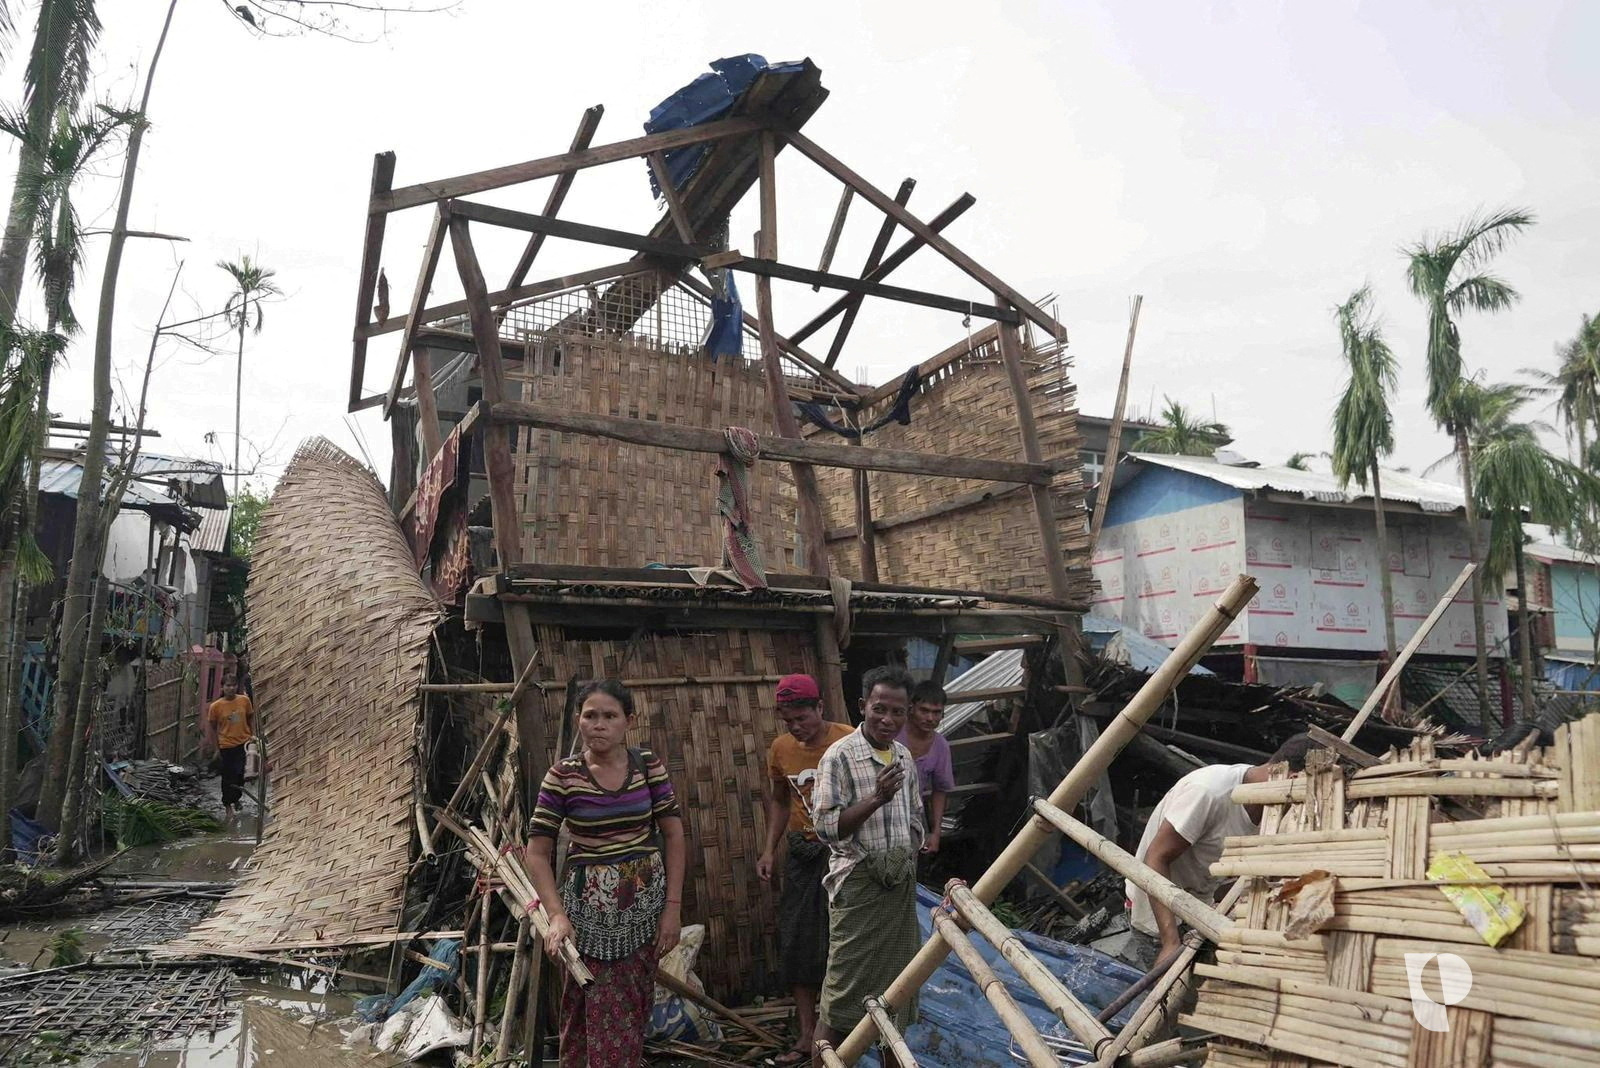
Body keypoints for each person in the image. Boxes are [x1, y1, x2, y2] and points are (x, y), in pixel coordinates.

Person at [525, 679, 687, 1068]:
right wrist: (557, 915)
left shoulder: (647, 765)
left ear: (628, 721)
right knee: (582, 1003)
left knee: (629, 1006)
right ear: (579, 721)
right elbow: (537, 852)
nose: (599, 724)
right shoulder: (563, 776)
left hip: (642, 907)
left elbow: (674, 834)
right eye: (590, 715)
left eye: (609, 716)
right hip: (588, 912)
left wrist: (672, 908)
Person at [810, 666, 924, 1067]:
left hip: (898, 890)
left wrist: (904, 857)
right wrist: (876, 798)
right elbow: (825, 828)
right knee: (840, 998)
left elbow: (916, 820)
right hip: (857, 888)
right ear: (863, 707)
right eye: (880, 709)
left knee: (897, 993)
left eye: (898, 712)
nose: (888, 720)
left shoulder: (905, 757)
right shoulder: (839, 757)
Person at [1125, 733, 1316, 970]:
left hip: (1201, 909)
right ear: (1293, 778)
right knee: (1164, 993)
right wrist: (1169, 941)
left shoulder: (1275, 811)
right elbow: (1155, 858)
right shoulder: (1209, 792)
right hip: (1158, 915)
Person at [756, 674, 854, 1066]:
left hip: (845, 853)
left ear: (820, 708)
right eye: (788, 720)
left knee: (842, 940)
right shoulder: (780, 750)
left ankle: (844, 1031)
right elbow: (780, 801)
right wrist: (769, 850)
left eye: (803, 718)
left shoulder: (849, 741)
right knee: (798, 940)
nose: (796, 728)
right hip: (801, 854)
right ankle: (807, 1034)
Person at [896, 680, 955, 856]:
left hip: (912, 817)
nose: (930, 718)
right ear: (911, 708)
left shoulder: (940, 746)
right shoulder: (893, 734)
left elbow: (940, 790)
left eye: (936, 712)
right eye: (924, 710)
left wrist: (936, 832)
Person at [207, 675, 255, 819]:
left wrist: (253, 737)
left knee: (241, 775)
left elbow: (250, 718)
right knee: (228, 778)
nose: (231, 688)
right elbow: (212, 728)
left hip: (244, 744)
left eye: (233, 685)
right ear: (222, 687)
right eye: (227, 685)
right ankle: (228, 806)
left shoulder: (244, 701)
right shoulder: (216, 707)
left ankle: (236, 799)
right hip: (226, 746)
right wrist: (216, 748)